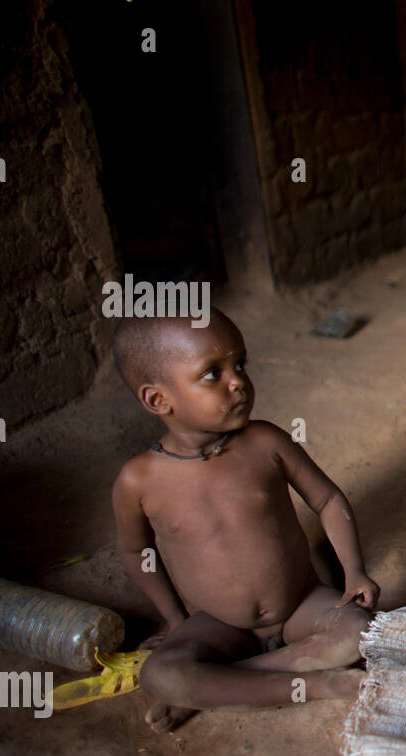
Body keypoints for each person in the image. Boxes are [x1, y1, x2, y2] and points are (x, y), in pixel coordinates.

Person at [111, 309, 377, 732]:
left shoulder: (266, 441)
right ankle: (317, 684)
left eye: (239, 365)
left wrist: (354, 571)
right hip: (220, 624)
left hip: (301, 605)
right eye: (211, 373)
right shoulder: (138, 481)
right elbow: (135, 552)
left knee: (360, 632)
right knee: (159, 674)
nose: (237, 381)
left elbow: (326, 499)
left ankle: (219, 687)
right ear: (159, 400)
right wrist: (176, 619)